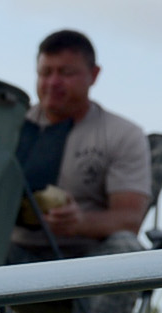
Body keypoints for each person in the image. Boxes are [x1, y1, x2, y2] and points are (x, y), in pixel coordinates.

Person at [10, 30, 153, 264]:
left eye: (66, 73)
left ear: (93, 75)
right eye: (45, 73)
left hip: (86, 262)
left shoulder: (123, 134)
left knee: (128, 249)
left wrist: (80, 222)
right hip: (14, 253)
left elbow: (130, 219)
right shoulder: (9, 127)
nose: (53, 82)